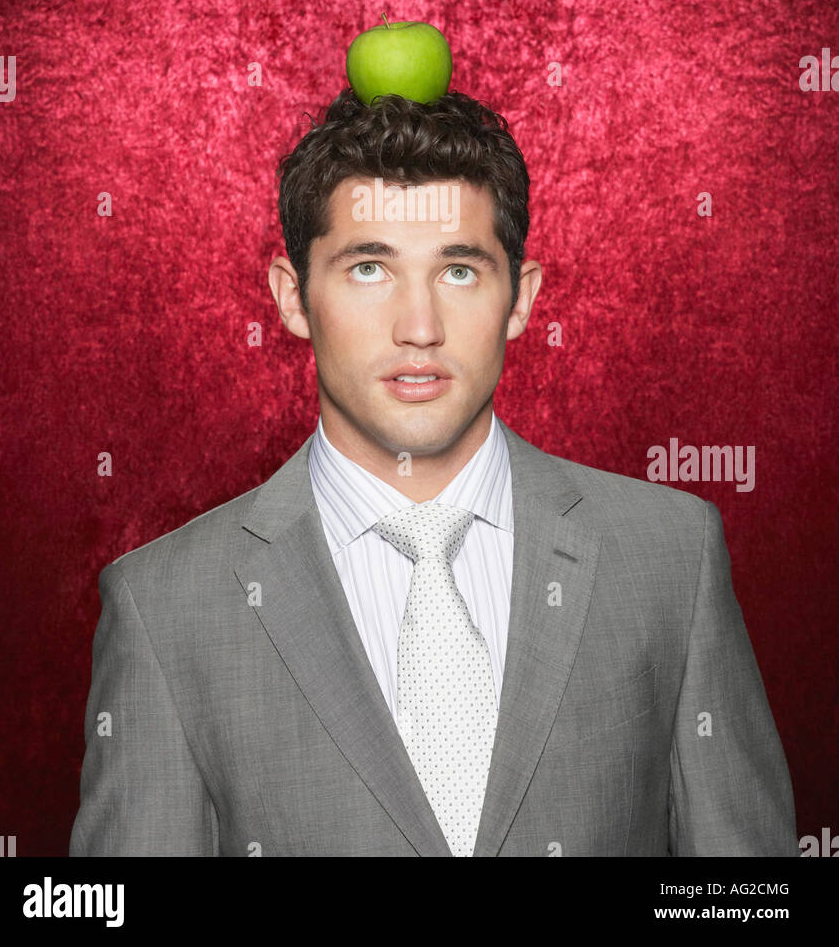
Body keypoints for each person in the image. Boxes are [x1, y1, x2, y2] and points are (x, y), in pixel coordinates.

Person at [69, 88, 798, 857]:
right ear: (292, 298)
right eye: (369, 268)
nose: (419, 328)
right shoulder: (164, 607)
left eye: (458, 270)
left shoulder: (671, 556)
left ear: (520, 297)